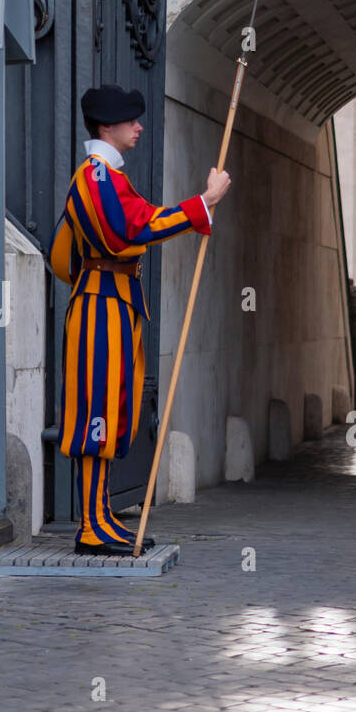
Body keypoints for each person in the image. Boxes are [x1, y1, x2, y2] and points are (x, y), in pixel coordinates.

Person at [50, 83, 232, 554]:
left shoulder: (110, 177)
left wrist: (196, 211)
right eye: (131, 119)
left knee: (109, 415)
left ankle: (102, 515)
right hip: (99, 307)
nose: (139, 126)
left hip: (114, 304)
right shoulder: (96, 178)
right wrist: (202, 203)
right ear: (106, 126)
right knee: (95, 417)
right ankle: (90, 526)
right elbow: (129, 231)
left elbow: (141, 220)